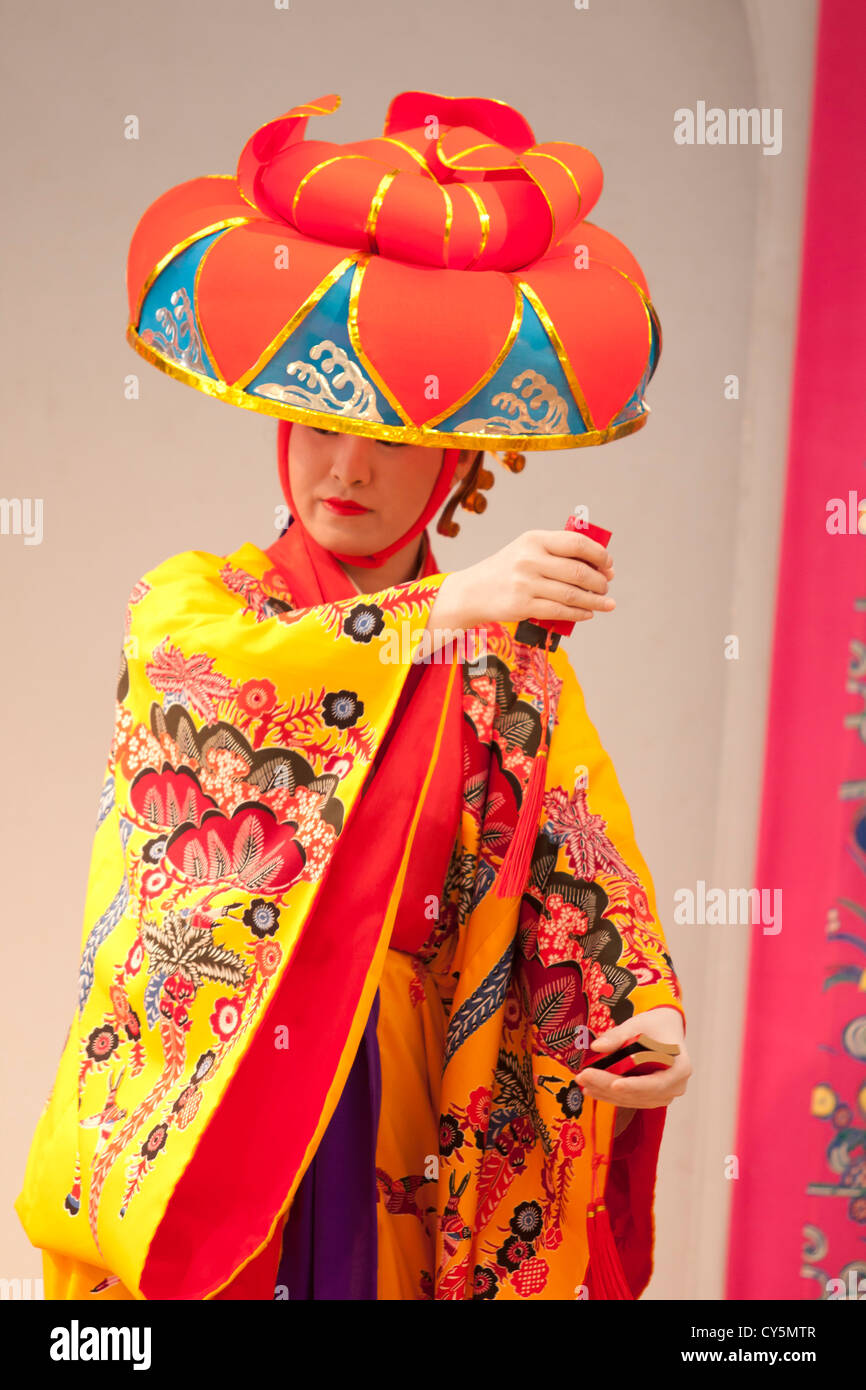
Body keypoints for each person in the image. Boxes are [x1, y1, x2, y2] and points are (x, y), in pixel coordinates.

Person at [14, 89, 690, 1301]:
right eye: (322, 423)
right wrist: (449, 610)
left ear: (463, 460)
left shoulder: (508, 663)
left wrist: (633, 1015)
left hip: (410, 1107)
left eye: (398, 433)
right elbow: (218, 697)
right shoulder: (198, 607)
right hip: (229, 1095)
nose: (350, 466)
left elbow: (578, 866)